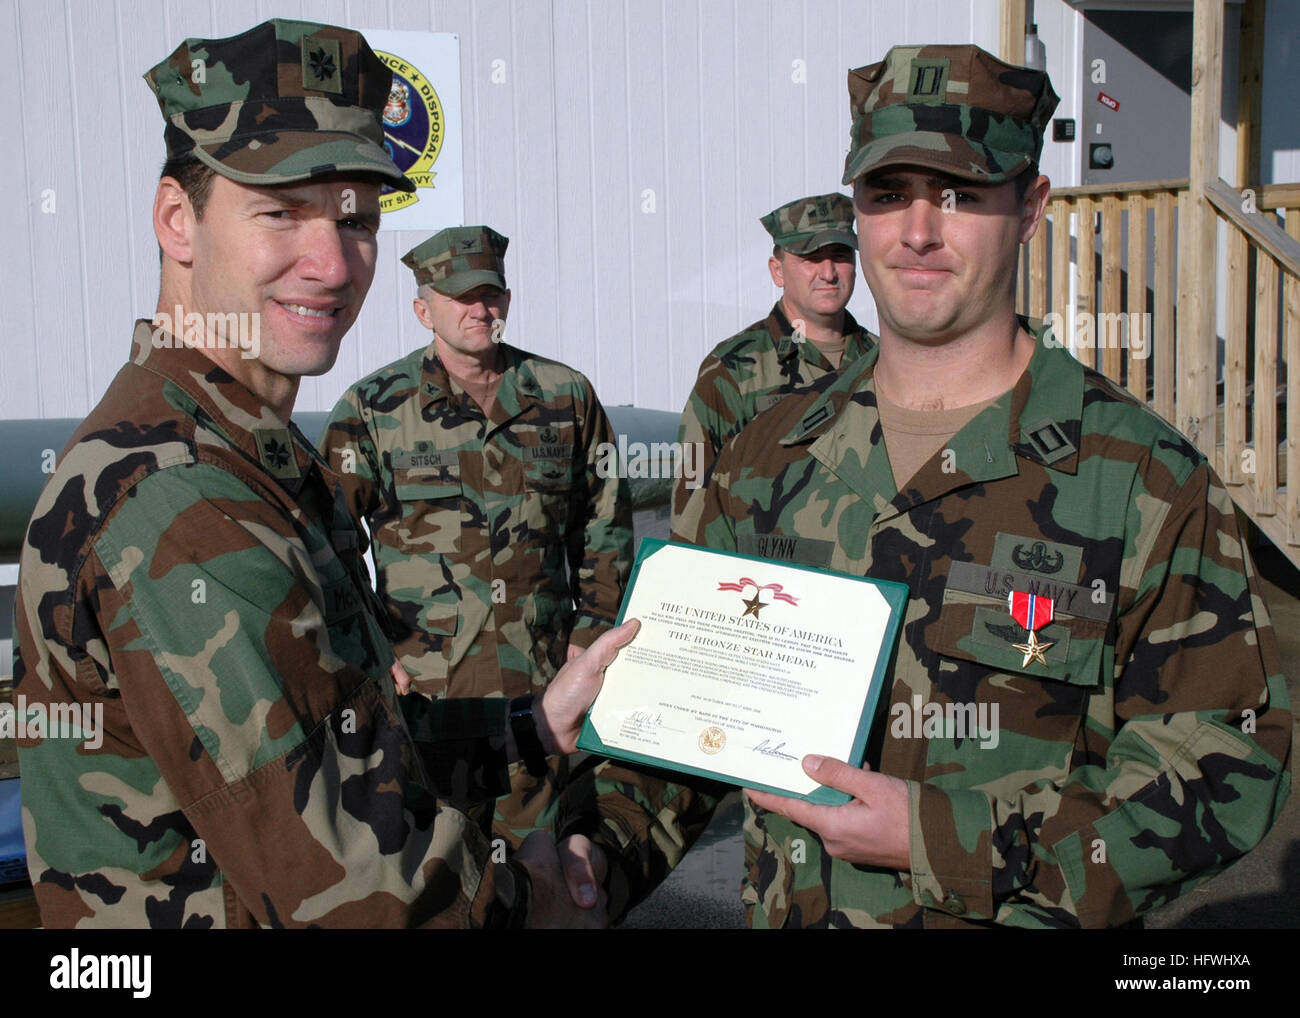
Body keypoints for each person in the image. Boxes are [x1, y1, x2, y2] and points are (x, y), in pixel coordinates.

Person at [658, 43, 1291, 927]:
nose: (918, 231)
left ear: (1030, 207)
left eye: (958, 195)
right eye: (887, 196)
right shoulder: (766, 455)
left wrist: (944, 838)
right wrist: (576, 861)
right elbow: (681, 712)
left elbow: (1222, 764)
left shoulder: (1142, 479)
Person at [12, 17, 626, 929]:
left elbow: (338, 739)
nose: (334, 262)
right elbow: (358, 894)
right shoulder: (181, 499)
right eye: (280, 211)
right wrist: (538, 899)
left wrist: (530, 727)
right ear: (177, 221)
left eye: (358, 219)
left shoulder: (245, 448)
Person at [320, 226, 632, 847]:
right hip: (431, 695)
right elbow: (329, 540)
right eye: (460, 296)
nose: (479, 309)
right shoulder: (374, 408)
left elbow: (604, 520)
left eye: (490, 294)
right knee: (437, 865)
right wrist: (372, 651)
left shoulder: (564, 396)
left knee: (538, 864)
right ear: (422, 309)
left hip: (540, 682)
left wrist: (592, 629)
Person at [671, 193, 876, 523]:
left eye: (839, 255)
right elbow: (694, 489)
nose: (828, 272)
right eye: (810, 257)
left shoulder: (884, 360)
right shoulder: (732, 369)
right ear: (777, 271)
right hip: (769, 569)